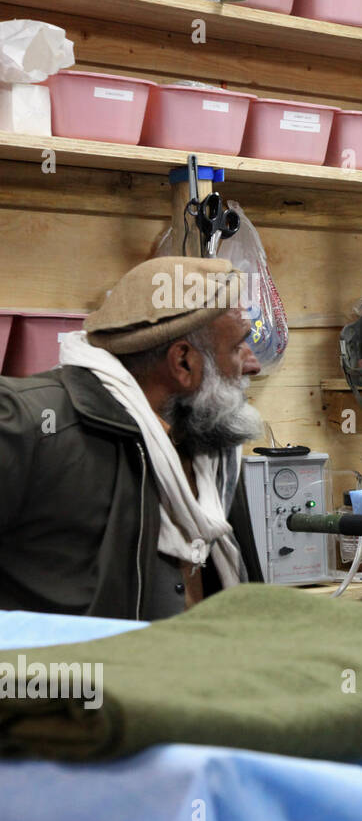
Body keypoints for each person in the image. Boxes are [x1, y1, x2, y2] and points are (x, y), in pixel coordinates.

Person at [0, 257, 266, 621]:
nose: (253, 364)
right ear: (183, 362)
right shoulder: (30, 423)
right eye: (238, 346)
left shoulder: (210, 443)